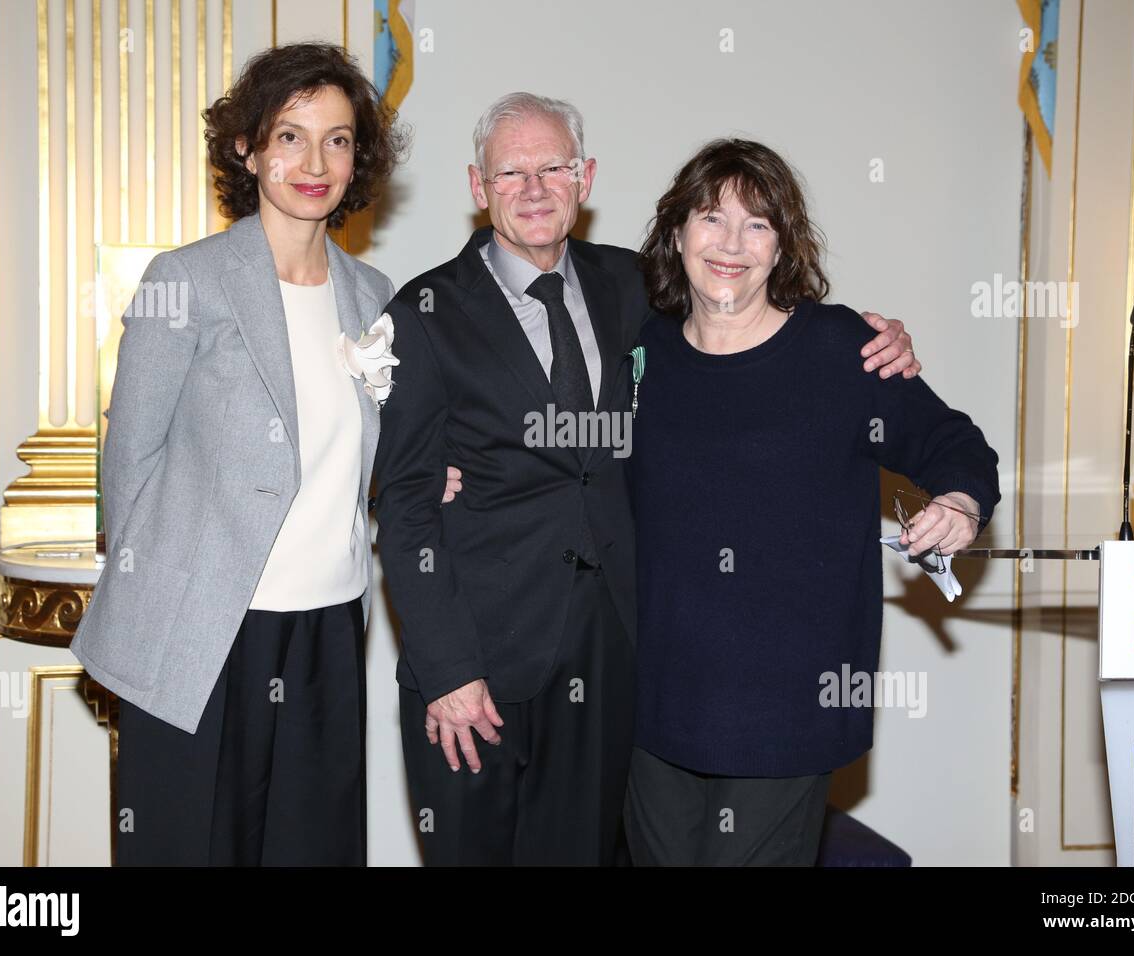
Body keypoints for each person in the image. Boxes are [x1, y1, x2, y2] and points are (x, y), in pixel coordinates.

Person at [374, 93, 920, 865]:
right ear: (478, 187)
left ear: (585, 177)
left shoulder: (638, 290)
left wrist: (873, 339)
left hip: (615, 663)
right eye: (511, 173)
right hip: (483, 666)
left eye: (554, 167)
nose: (534, 189)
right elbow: (403, 506)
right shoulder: (423, 311)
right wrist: (446, 670)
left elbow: (751, 324)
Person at [71, 42, 421, 865]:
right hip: (203, 635)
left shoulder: (373, 297)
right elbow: (128, 467)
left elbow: (371, 468)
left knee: (314, 849)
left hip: (330, 627)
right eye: (290, 136)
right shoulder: (186, 280)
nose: (314, 161)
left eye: (337, 140)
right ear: (248, 149)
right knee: (190, 847)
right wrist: (158, 611)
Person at [623, 138, 1001, 865]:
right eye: (711, 218)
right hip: (656, 705)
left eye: (757, 224)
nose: (731, 243)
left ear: (782, 247)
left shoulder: (840, 351)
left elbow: (955, 443)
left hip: (789, 706)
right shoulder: (642, 352)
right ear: (677, 233)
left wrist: (958, 502)